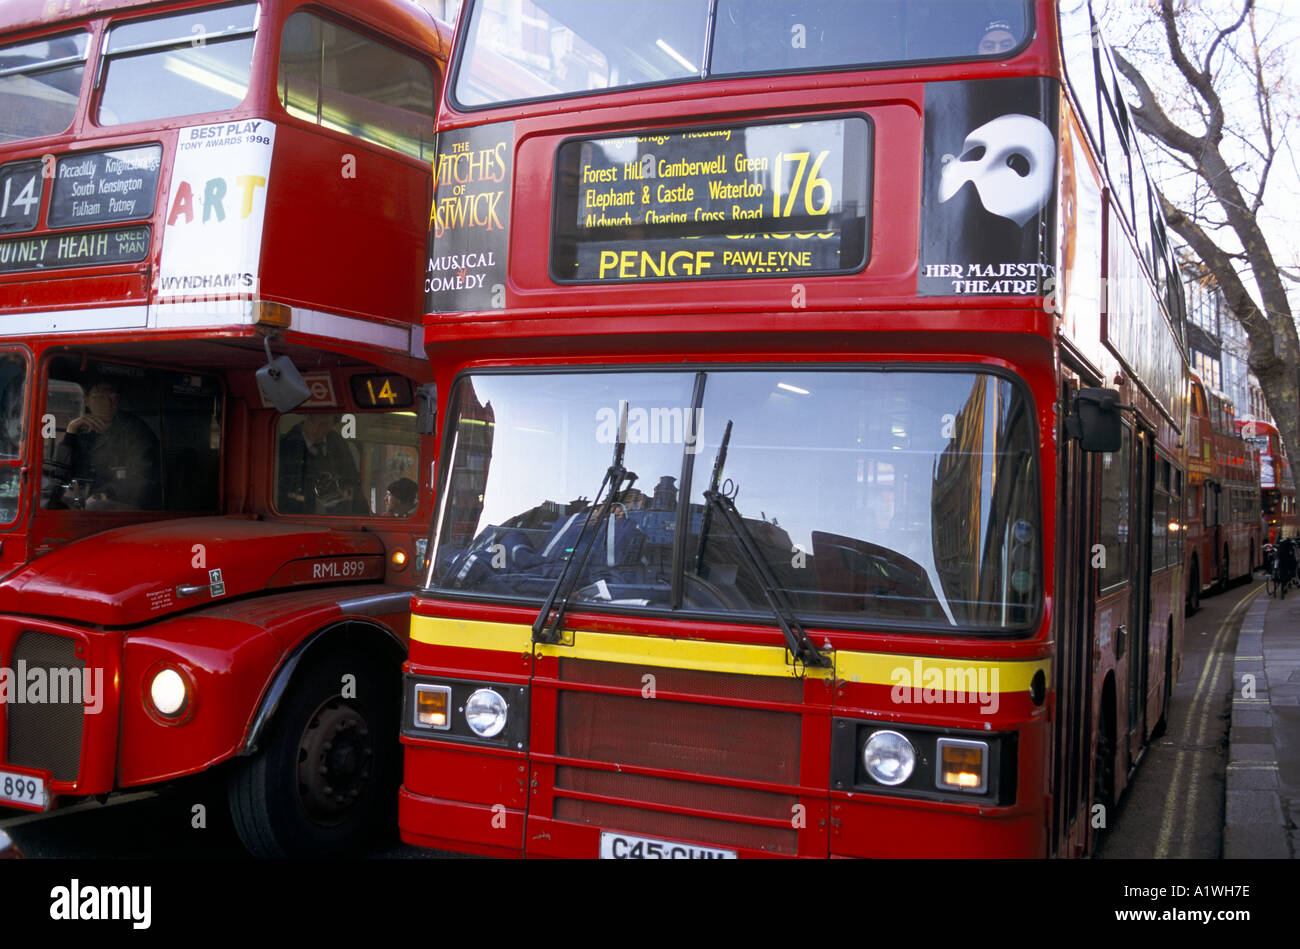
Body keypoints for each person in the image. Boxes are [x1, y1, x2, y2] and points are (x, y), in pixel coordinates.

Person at [54, 378, 160, 510]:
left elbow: (143, 478)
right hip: (78, 501)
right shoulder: (80, 429)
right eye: (100, 394)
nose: (107, 401)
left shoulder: (135, 431)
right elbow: (58, 473)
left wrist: (104, 494)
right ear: (86, 400)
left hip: (118, 504)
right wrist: (70, 433)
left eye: (113, 395)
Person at [277, 413, 369, 515]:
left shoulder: (339, 446)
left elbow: (352, 484)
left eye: (323, 425)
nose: (315, 429)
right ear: (306, 417)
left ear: (333, 425)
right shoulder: (285, 447)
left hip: (332, 518)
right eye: (312, 421)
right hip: (296, 517)